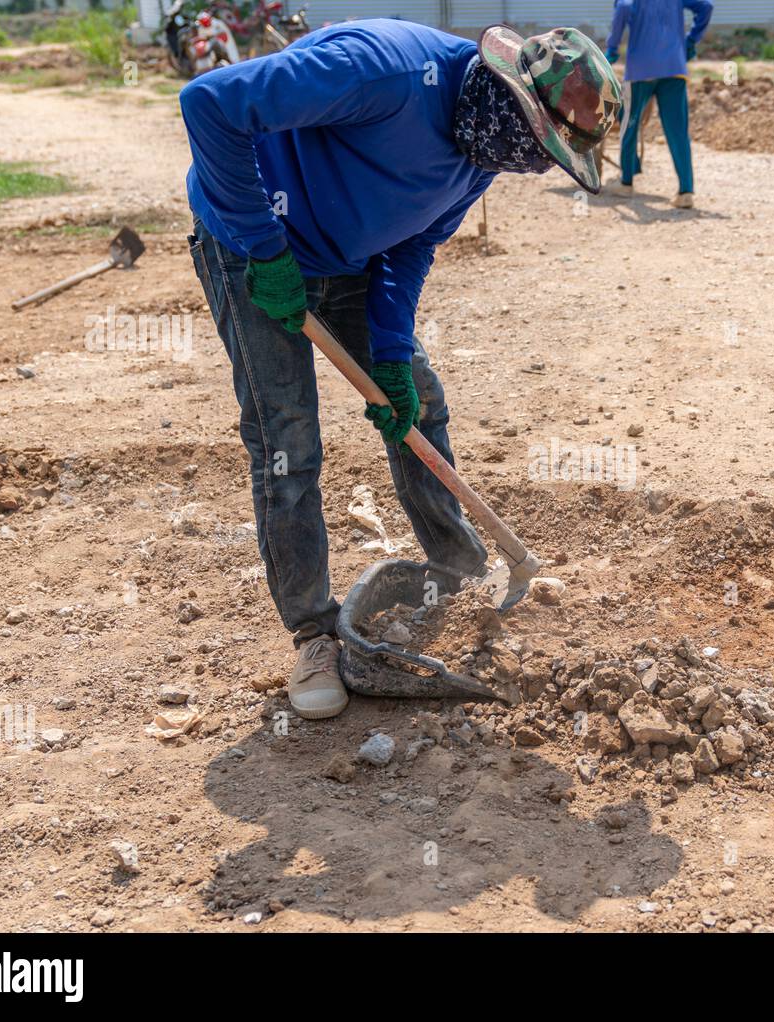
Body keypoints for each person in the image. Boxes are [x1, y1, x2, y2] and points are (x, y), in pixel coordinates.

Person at [180, 20, 620, 719]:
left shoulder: (488, 147)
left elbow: (412, 245)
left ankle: (459, 567)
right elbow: (209, 103)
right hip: (251, 246)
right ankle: (315, 634)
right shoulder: (381, 73)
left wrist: (388, 351)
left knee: (416, 398)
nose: (530, 163)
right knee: (288, 439)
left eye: (548, 155)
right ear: (504, 93)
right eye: (536, 142)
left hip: (347, 260)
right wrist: (262, 246)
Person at [606, 0, 713, 208]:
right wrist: (691, 40)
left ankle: (626, 182)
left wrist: (612, 47)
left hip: (640, 70)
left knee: (629, 123)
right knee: (678, 132)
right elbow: (706, 6)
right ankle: (686, 192)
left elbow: (624, 7)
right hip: (674, 66)